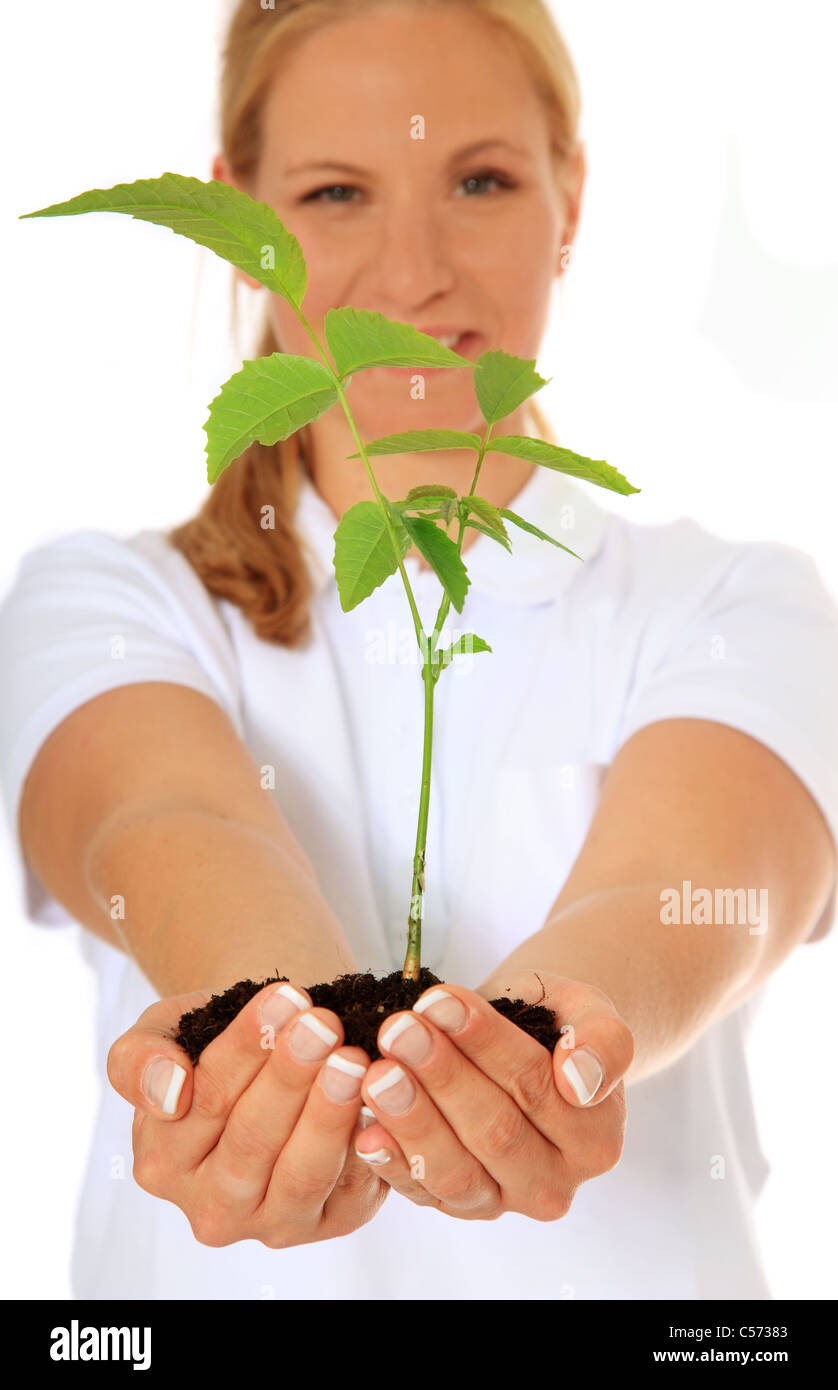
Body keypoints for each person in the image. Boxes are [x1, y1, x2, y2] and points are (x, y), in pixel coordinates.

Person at [2, 0, 837, 1301]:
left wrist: (546, 1044)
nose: (410, 276)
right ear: (239, 218)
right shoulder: (109, 602)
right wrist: (276, 1031)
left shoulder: (737, 603)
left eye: (481, 179)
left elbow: (687, 886)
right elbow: (160, 821)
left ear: (571, 195)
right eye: (334, 193)